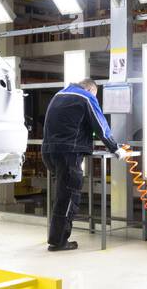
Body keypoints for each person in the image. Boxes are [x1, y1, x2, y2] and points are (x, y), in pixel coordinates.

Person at [41, 78, 122, 251]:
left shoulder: (59, 94)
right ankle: (59, 241)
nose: (94, 98)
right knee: (69, 197)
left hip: (49, 152)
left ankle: (56, 238)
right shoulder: (86, 96)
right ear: (91, 89)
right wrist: (115, 148)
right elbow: (100, 124)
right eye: (95, 95)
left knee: (62, 196)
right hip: (69, 152)